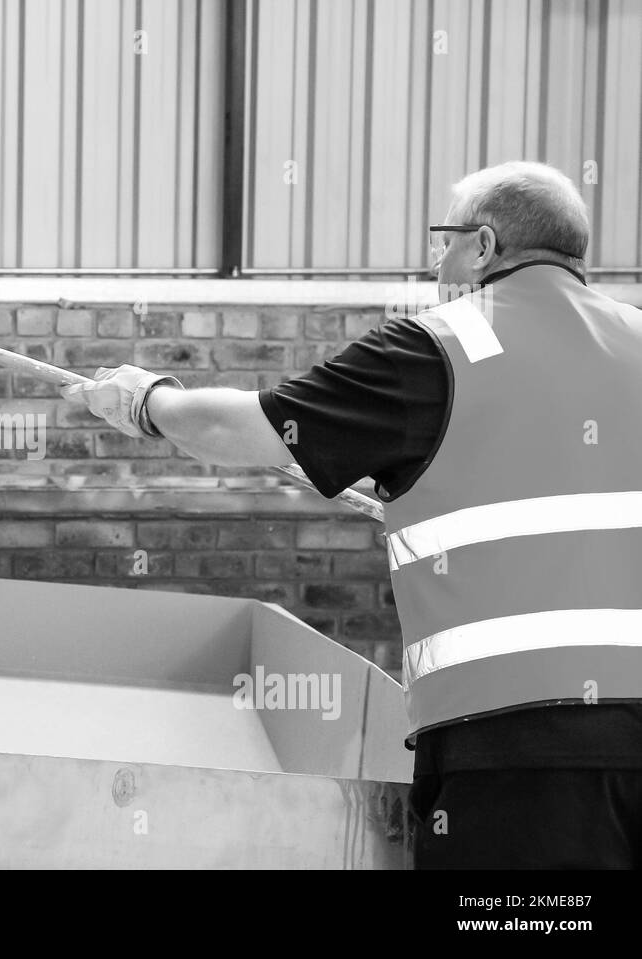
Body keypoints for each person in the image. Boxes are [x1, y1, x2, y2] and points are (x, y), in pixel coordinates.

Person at [63, 161, 642, 868]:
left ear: (485, 246)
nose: (436, 261)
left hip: (520, 759)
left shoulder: (438, 348)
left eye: (445, 239)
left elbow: (250, 428)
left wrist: (145, 401)